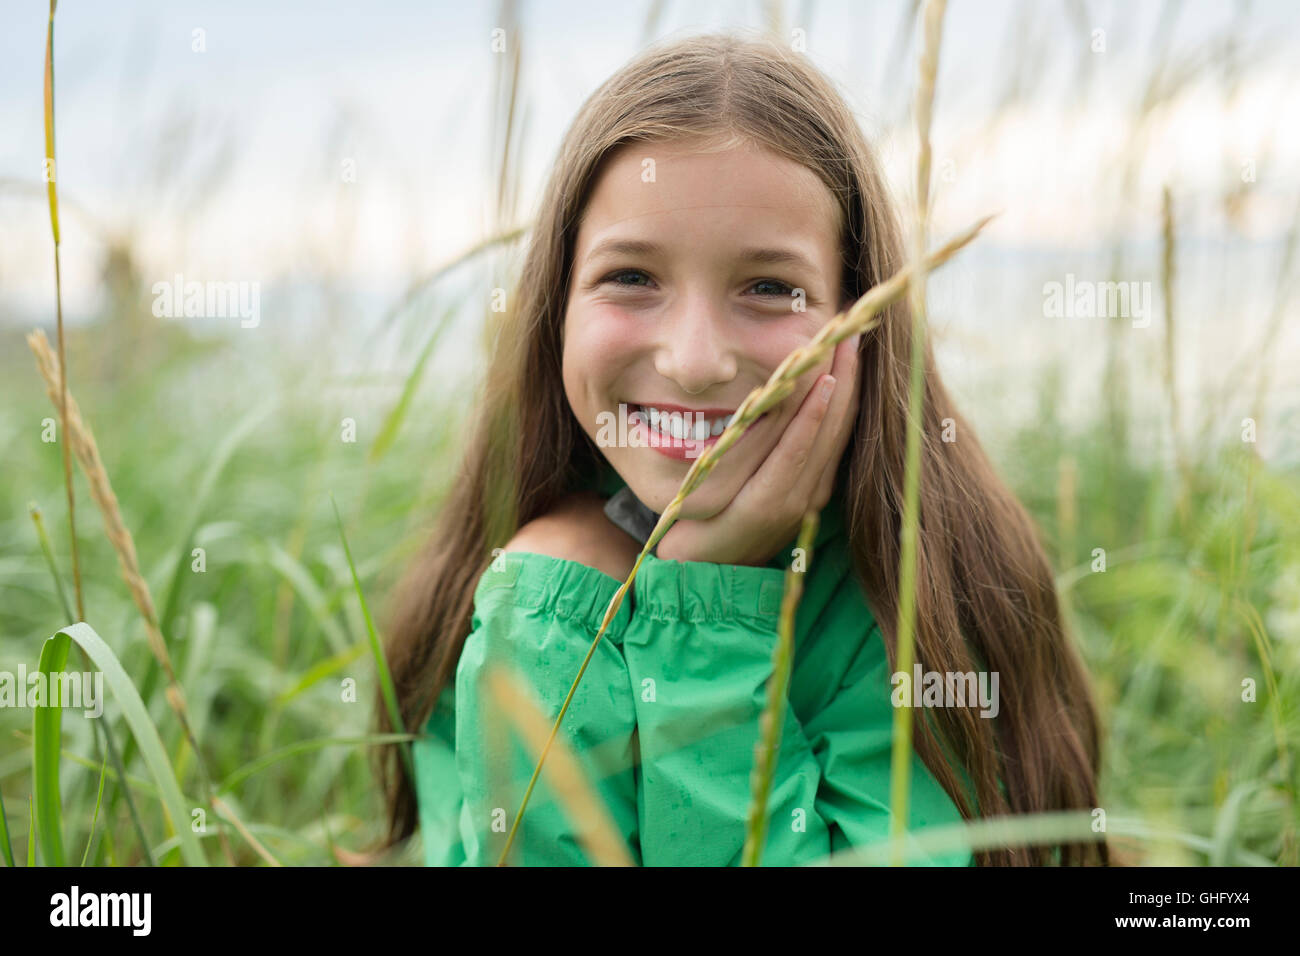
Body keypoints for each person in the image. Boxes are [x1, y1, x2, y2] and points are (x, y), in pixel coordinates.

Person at [378, 32, 1106, 867]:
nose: (694, 361)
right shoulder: (520, 593)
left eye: (769, 288)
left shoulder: (927, 595)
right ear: (557, 305)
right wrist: (550, 624)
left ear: (860, 319)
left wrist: (711, 608)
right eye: (632, 278)